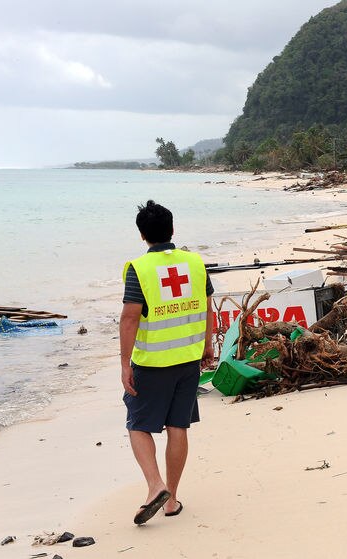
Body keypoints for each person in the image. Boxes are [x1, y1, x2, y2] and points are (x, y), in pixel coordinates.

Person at [120, 200, 214, 525]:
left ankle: (154, 485)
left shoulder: (139, 269)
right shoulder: (195, 262)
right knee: (178, 426)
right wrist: (208, 346)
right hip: (189, 360)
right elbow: (207, 307)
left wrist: (124, 364)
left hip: (153, 363)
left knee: (137, 424)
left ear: (142, 235)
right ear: (172, 230)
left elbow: (130, 318)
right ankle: (171, 500)